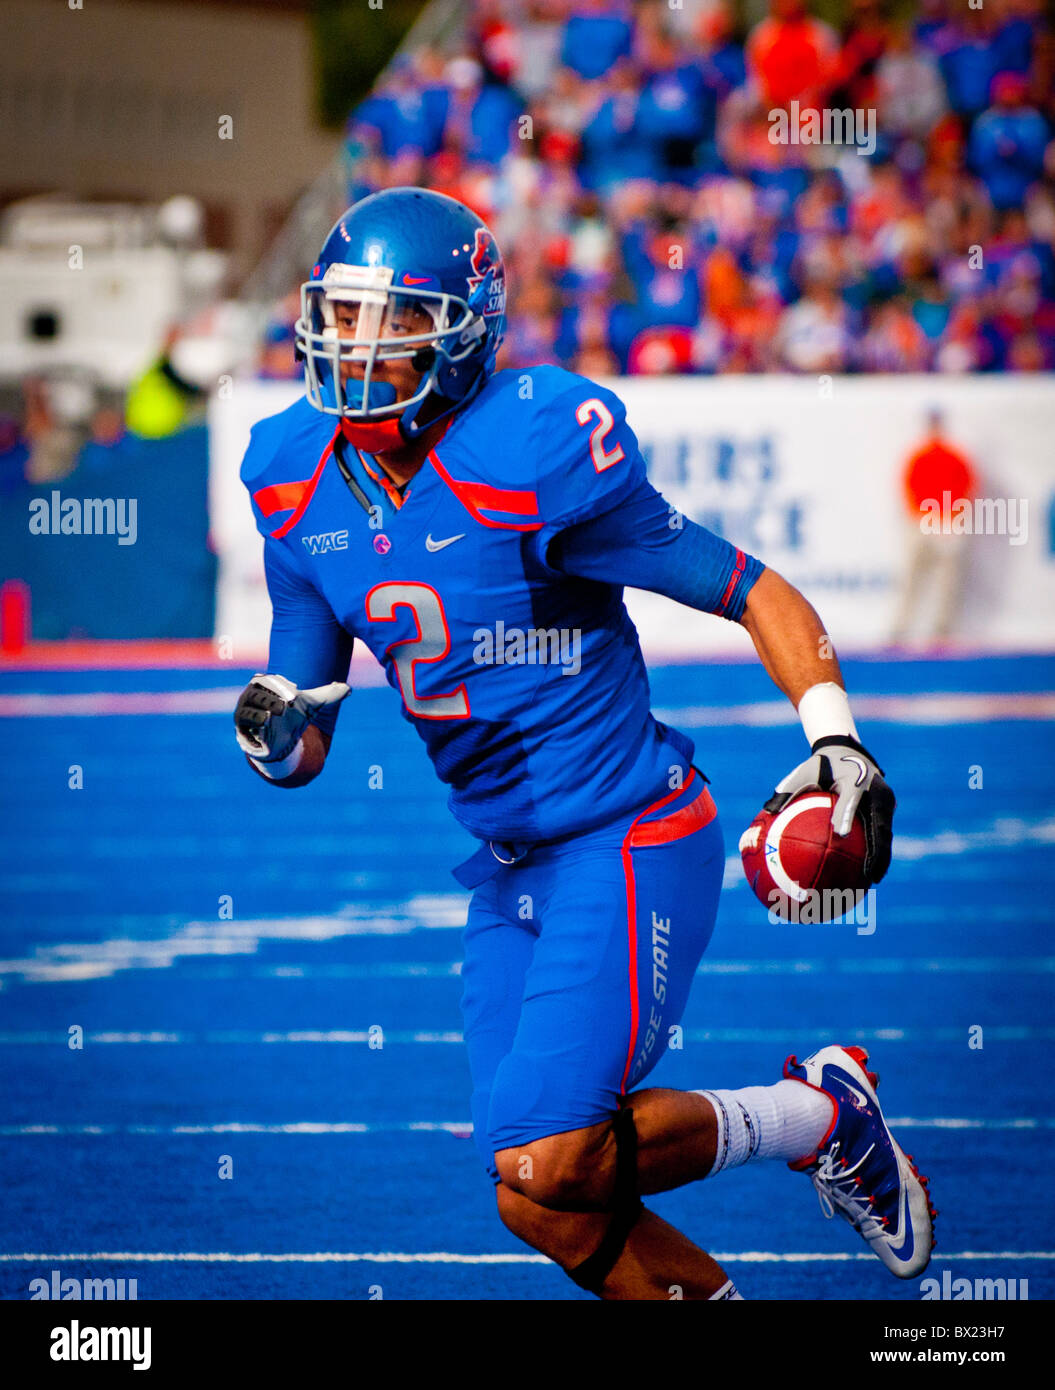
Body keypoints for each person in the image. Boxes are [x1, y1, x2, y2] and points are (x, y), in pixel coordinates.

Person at [233, 188, 933, 1300]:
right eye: (345, 316)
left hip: (627, 829)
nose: (358, 346)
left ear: (462, 331)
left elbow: (750, 590)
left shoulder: (531, 450)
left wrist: (836, 740)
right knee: (531, 1194)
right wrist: (277, 729)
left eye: (394, 321)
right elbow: (305, 707)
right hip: (506, 862)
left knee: (554, 1153)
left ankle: (818, 1114)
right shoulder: (287, 471)